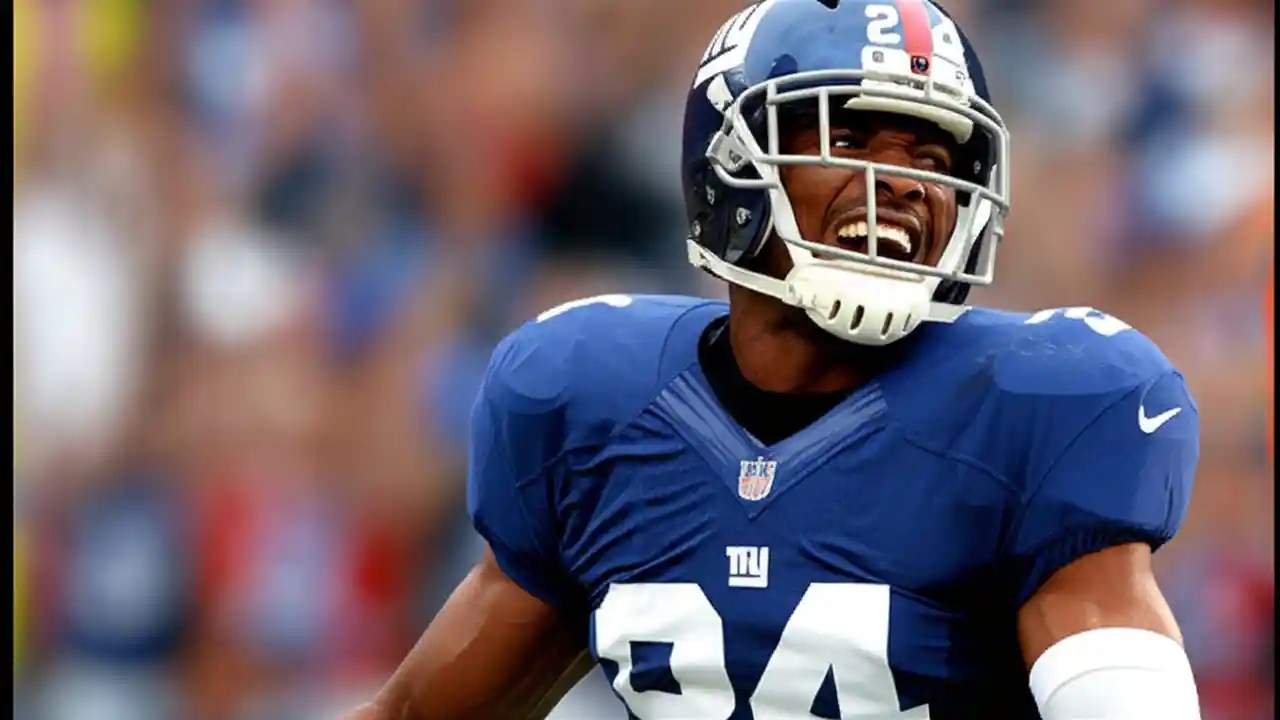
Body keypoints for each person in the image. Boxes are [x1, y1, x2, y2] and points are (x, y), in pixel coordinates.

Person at [344, 1, 1202, 717]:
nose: (904, 183)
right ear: (732, 164)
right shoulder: (590, 400)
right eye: (855, 140)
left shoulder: (1040, 405)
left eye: (933, 159)